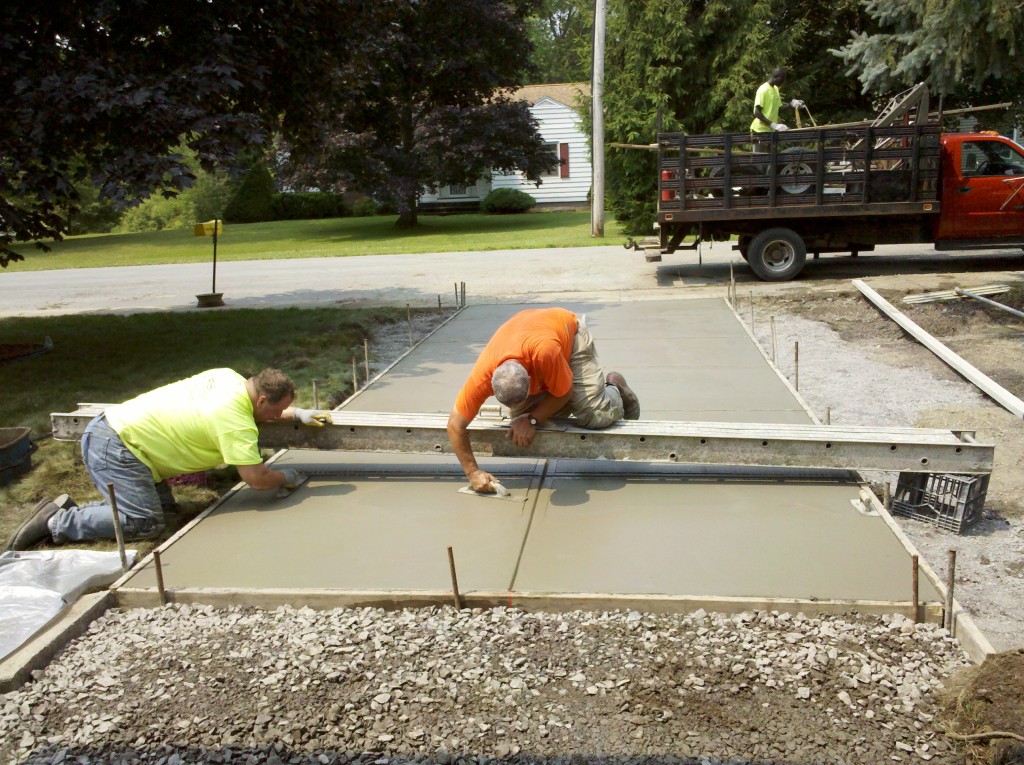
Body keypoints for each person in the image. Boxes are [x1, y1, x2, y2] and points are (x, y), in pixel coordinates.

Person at [6, 367, 330, 550]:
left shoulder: (229, 377)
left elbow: (259, 412)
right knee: (144, 523)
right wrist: (288, 478)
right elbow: (257, 479)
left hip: (123, 434)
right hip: (118, 448)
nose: (278, 416)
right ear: (260, 399)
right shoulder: (234, 421)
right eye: (276, 410)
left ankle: (68, 509)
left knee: (165, 511)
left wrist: (297, 414)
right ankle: (56, 522)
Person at [447, 307, 639, 493]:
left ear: (532, 380)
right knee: (519, 420)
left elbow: (566, 392)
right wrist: (472, 472)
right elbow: (455, 425)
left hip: (570, 336)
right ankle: (557, 386)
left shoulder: (545, 353)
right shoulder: (482, 376)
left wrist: (532, 420)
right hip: (533, 335)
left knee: (593, 414)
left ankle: (616, 388)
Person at [750, 68, 804, 151]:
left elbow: (779, 108)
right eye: (782, 80)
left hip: (770, 131)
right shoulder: (763, 90)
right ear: (777, 77)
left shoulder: (775, 89)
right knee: (759, 161)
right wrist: (773, 125)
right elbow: (757, 113)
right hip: (759, 131)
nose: (782, 82)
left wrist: (791, 104)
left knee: (772, 160)